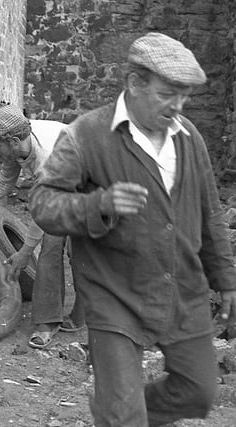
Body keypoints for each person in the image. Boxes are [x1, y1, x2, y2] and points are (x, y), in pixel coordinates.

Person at [30, 32, 236, 426]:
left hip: (182, 287)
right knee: (123, 414)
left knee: (198, 392)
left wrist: (226, 278)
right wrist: (97, 205)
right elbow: (42, 203)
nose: (178, 107)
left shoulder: (190, 138)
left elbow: (210, 213)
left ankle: (120, 415)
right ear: (135, 83)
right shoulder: (85, 134)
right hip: (115, 292)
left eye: (185, 96)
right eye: (168, 94)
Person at [0, 105, 84, 349]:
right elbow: (5, 179)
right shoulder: (20, 144)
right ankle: (48, 322)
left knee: (79, 253)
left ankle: (82, 312)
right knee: (50, 249)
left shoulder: (48, 156)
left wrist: (25, 253)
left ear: (13, 141)